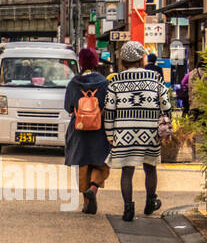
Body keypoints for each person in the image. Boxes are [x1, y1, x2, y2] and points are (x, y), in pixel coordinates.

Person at [104, 40, 173, 222]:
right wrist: (166, 129)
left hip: (124, 134)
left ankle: (128, 209)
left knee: (127, 171)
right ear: (141, 59)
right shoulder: (155, 79)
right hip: (149, 133)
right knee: (150, 167)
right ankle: (150, 202)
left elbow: (109, 111)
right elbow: (166, 105)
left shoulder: (115, 81)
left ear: (123, 61)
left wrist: (110, 135)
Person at [63, 47, 111, 216]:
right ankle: (93, 188)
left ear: (81, 63)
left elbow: (67, 107)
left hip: (79, 128)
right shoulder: (105, 83)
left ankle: (86, 202)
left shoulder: (74, 83)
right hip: (100, 128)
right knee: (101, 163)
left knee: (83, 164)